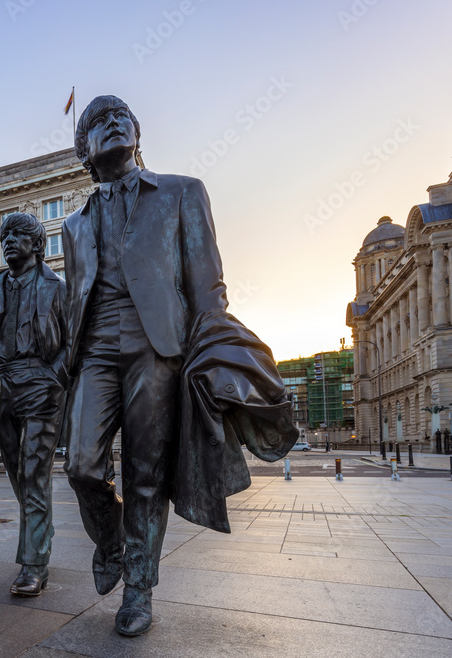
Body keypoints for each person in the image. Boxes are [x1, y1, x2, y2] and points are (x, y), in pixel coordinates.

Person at [62, 95, 297, 636]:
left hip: (158, 345)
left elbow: (206, 281)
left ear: (137, 136)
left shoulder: (181, 192)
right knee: (81, 465)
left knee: (147, 474)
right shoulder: (74, 224)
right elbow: (73, 299)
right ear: (85, 151)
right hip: (95, 349)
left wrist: (213, 347)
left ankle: (138, 589)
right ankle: (114, 543)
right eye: (99, 121)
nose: (114, 122)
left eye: (122, 116)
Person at [0, 212, 67, 596]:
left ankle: (33, 564)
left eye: (18, 234)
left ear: (38, 245)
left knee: (32, 473)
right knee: (20, 476)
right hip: (3, 389)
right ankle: (41, 533)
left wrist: (53, 379)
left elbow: (74, 341)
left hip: (41, 386)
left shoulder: (58, 289)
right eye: (5, 235)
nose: (9, 240)